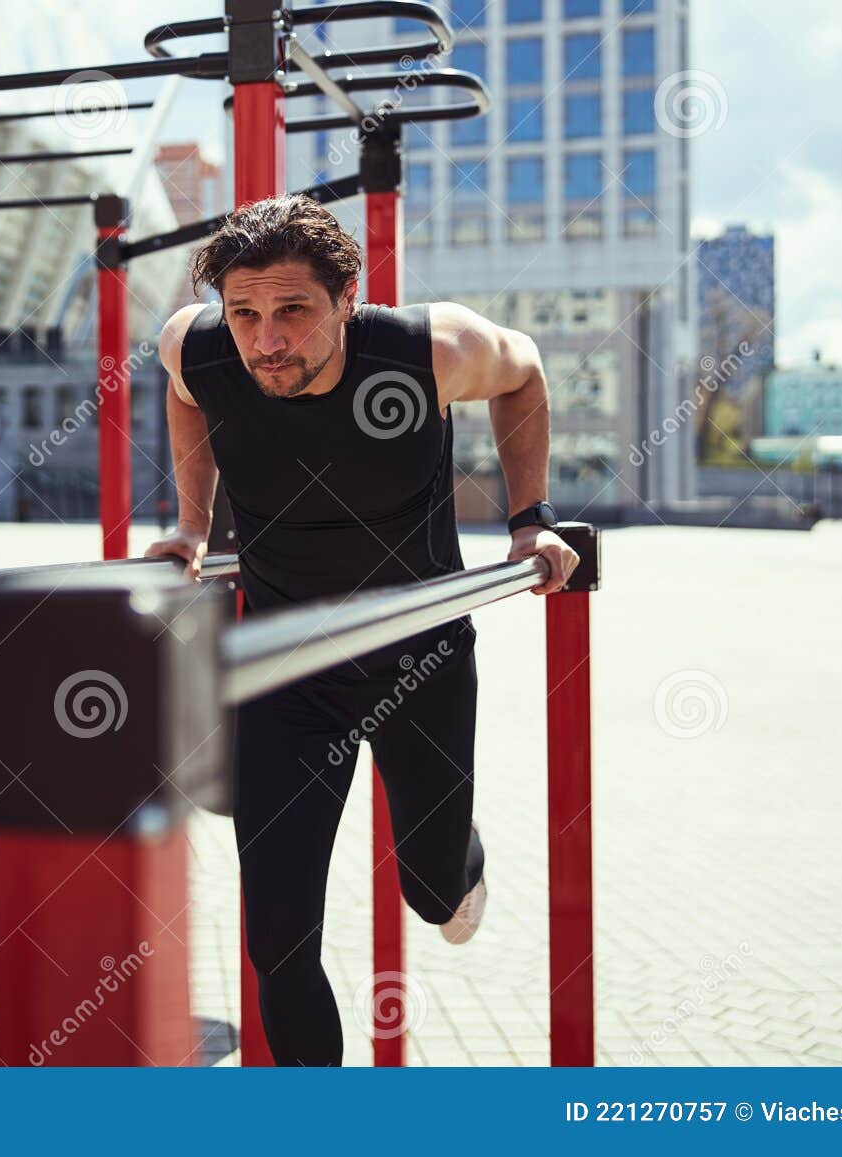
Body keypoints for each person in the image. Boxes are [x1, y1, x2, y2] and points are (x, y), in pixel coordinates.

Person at [145, 194, 579, 1066]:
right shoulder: (196, 347)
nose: (267, 339)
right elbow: (184, 396)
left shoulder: (429, 350)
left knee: (431, 894)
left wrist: (529, 518)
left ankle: (457, 858)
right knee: (276, 937)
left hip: (419, 658)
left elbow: (525, 370)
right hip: (285, 670)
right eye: (246, 315)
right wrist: (192, 526)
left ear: (347, 297)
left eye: (294, 311)